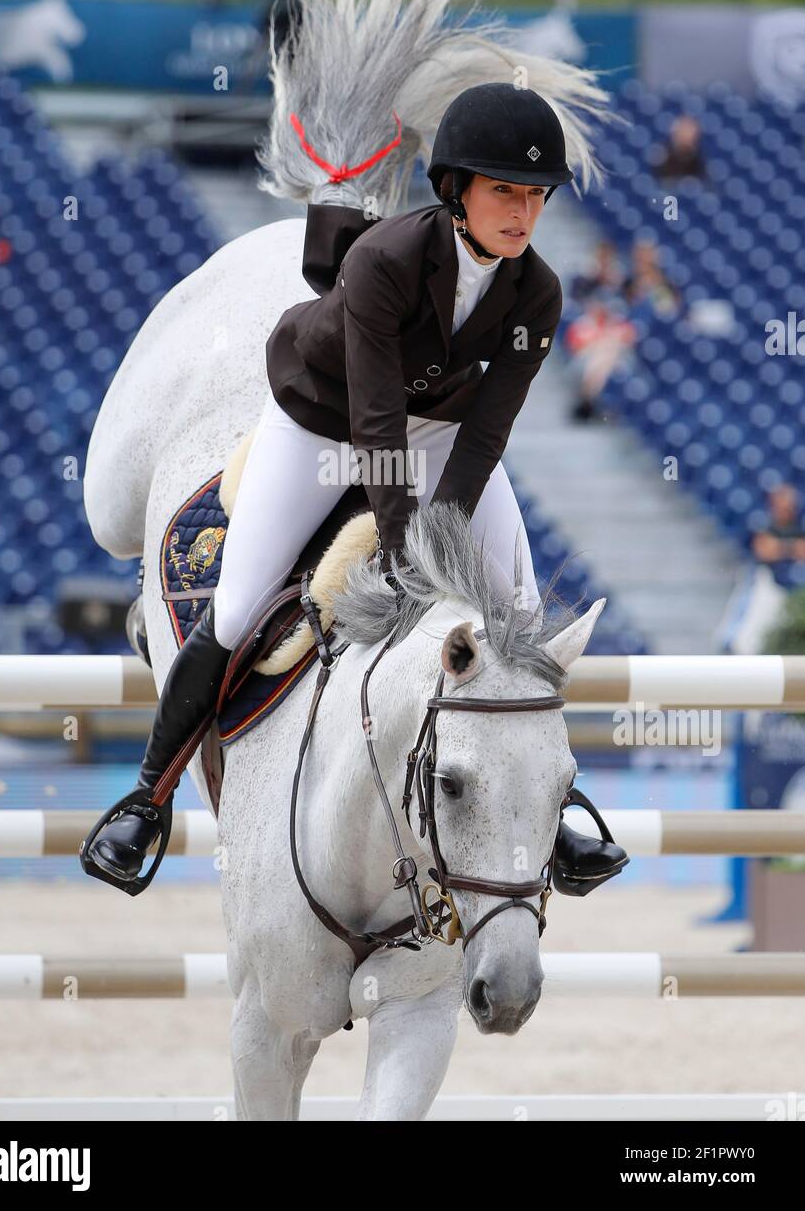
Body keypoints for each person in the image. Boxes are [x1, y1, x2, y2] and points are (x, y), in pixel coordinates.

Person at [85, 84, 628, 895]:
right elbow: (374, 424)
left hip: (439, 425)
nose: (523, 212)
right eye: (504, 192)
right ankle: (148, 797)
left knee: (515, 611)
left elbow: (485, 433)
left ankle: (557, 806)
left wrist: (447, 533)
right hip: (324, 418)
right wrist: (410, 556)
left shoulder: (538, 293)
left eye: (536, 196)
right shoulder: (385, 261)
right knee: (235, 609)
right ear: (455, 191)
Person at [752, 485, 805, 568]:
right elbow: (763, 552)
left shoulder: (799, 529)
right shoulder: (765, 528)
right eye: (779, 507)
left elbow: (802, 550)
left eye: (787, 508)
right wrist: (793, 547)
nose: (783, 511)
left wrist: (778, 547)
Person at [653, 114, 706, 182]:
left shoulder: (699, 159)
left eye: (690, 130)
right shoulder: (663, 155)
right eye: (684, 129)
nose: (686, 134)